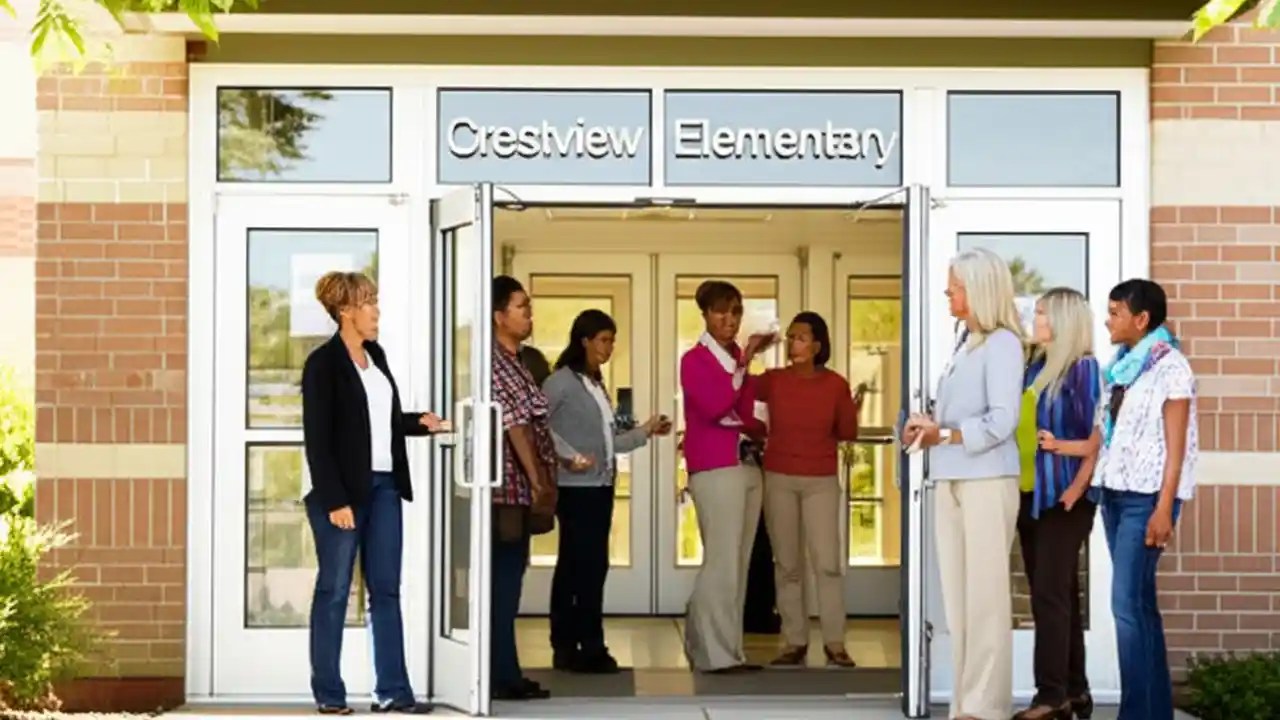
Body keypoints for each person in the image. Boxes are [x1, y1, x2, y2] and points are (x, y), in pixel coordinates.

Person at [300, 271, 443, 715]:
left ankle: (393, 692)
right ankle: (329, 694)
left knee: (386, 589)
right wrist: (335, 501)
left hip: (384, 487)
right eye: (369, 303)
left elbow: (380, 421)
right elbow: (318, 439)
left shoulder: (375, 356)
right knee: (334, 591)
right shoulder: (322, 364)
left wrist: (420, 422)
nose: (376, 311)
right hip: (341, 492)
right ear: (346, 310)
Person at [903, 248, 1025, 720]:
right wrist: (928, 425)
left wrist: (947, 434)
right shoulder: (965, 343)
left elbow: (1002, 421)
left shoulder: (1004, 344)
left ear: (978, 290)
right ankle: (966, 703)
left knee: (986, 599)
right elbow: (956, 417)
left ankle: (985, 707)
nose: (947, 293)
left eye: (955, 287)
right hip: (951, 476)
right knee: (958, 600)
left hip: (987, 481)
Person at [543, 309, 672, 674]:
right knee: (578, 567)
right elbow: (538, 426)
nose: (609, 347)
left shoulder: (595, 385)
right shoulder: (560, 383)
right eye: (603, 340)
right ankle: (579, 645)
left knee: (591, 566)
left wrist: (645, 431)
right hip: (575, 489)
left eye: (612, 340)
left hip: (600, 485)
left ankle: (580, 643)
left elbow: (607, 442)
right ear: (584, 340)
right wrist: (567, 456)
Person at [1091, 279, 1196, 720]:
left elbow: (1177, 447)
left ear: (1142, 319)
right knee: (1139, 607)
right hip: (1115, 496)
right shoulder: (1121, 367)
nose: (1107, 320)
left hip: (1146, 500)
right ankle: (1153, 713)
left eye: (1115, 312)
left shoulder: (1171, 367)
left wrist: (1163, 507)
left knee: (1126, 608)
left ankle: (1136, 713)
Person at [751, 311, 861, 668]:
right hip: (779, 478)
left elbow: (848, 431)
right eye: (790, 337)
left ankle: (835, 642)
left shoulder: (835, 385)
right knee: (787, 564)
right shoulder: (773, 381)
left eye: (800, 337)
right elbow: (736, 387)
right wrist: (750, 351)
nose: (792, 343)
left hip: (821, 481)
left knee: (827, 562)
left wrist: (852, 410)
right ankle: (795, 641)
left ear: (816, 345)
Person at [1013, 288, 1102, 720]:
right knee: (1058, 592)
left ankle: (1050, 698)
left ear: (1065, 321)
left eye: (1044, 313)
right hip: (1031, 496)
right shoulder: (1035, 367)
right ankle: (1075, 691)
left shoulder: (1083, 369)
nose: (1036, 318)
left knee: (1049, 595)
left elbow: (1100, 436)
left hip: (1065, 497)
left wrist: (1076, 488)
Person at [679, 279, 775, 674]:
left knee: (739, 562)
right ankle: (709, 649)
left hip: (747, 464)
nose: (730, 319)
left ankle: (730, 650)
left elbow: (748, 414)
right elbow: (717, 405)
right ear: (705, 314)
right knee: (721, 561)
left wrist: (751, 423)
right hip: (715, 466)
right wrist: (746, 359)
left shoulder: (737, 359)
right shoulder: (695, 360)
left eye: (736, 311)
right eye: (721, 311)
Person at [490, 275, 558, 701]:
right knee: (503, 582)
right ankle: (501, 674)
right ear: (499, 316)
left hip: (519, 489)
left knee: (512, 579)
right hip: (507, 490)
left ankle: (507, 670)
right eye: (522, 307)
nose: (529, 314)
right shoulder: (495, 362)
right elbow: (515, 426)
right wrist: (537, 481)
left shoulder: (519, 361)